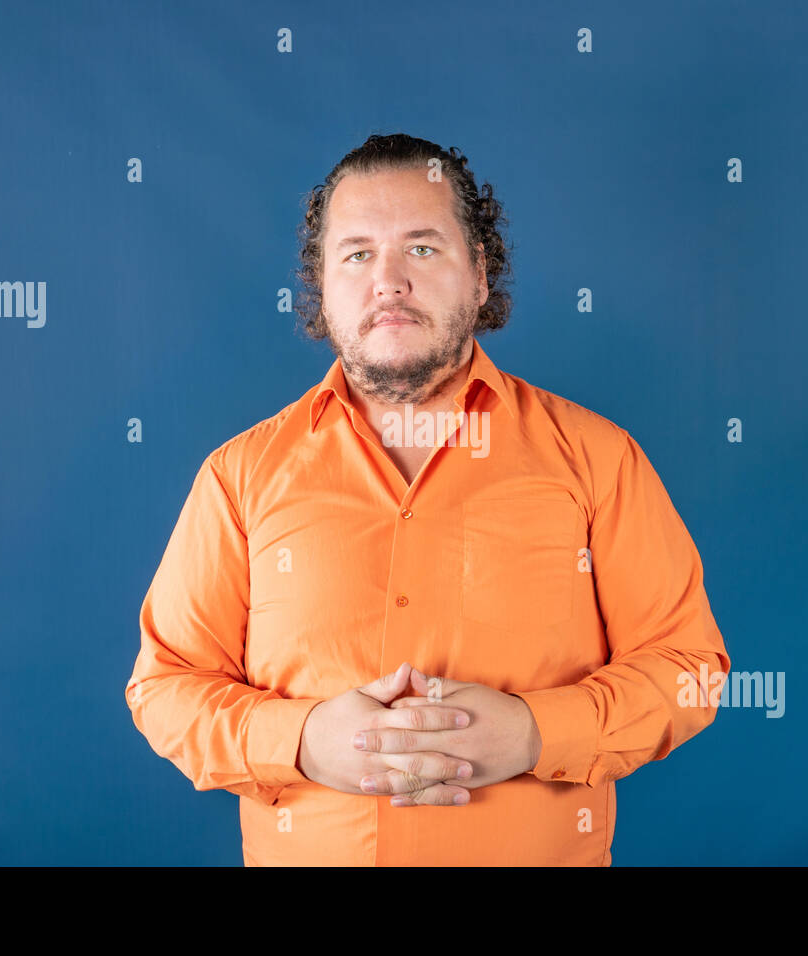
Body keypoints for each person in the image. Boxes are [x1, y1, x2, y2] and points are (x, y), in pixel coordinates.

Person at [125, 132, 730, 865]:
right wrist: (302, 743)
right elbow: (164, 689)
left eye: (421, 248)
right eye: (356, 254)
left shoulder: (599, 460)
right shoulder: (238, 477)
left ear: (479, 273)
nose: (388, 281)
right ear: (323, 283)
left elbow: (688, 668)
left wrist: (537, 732)